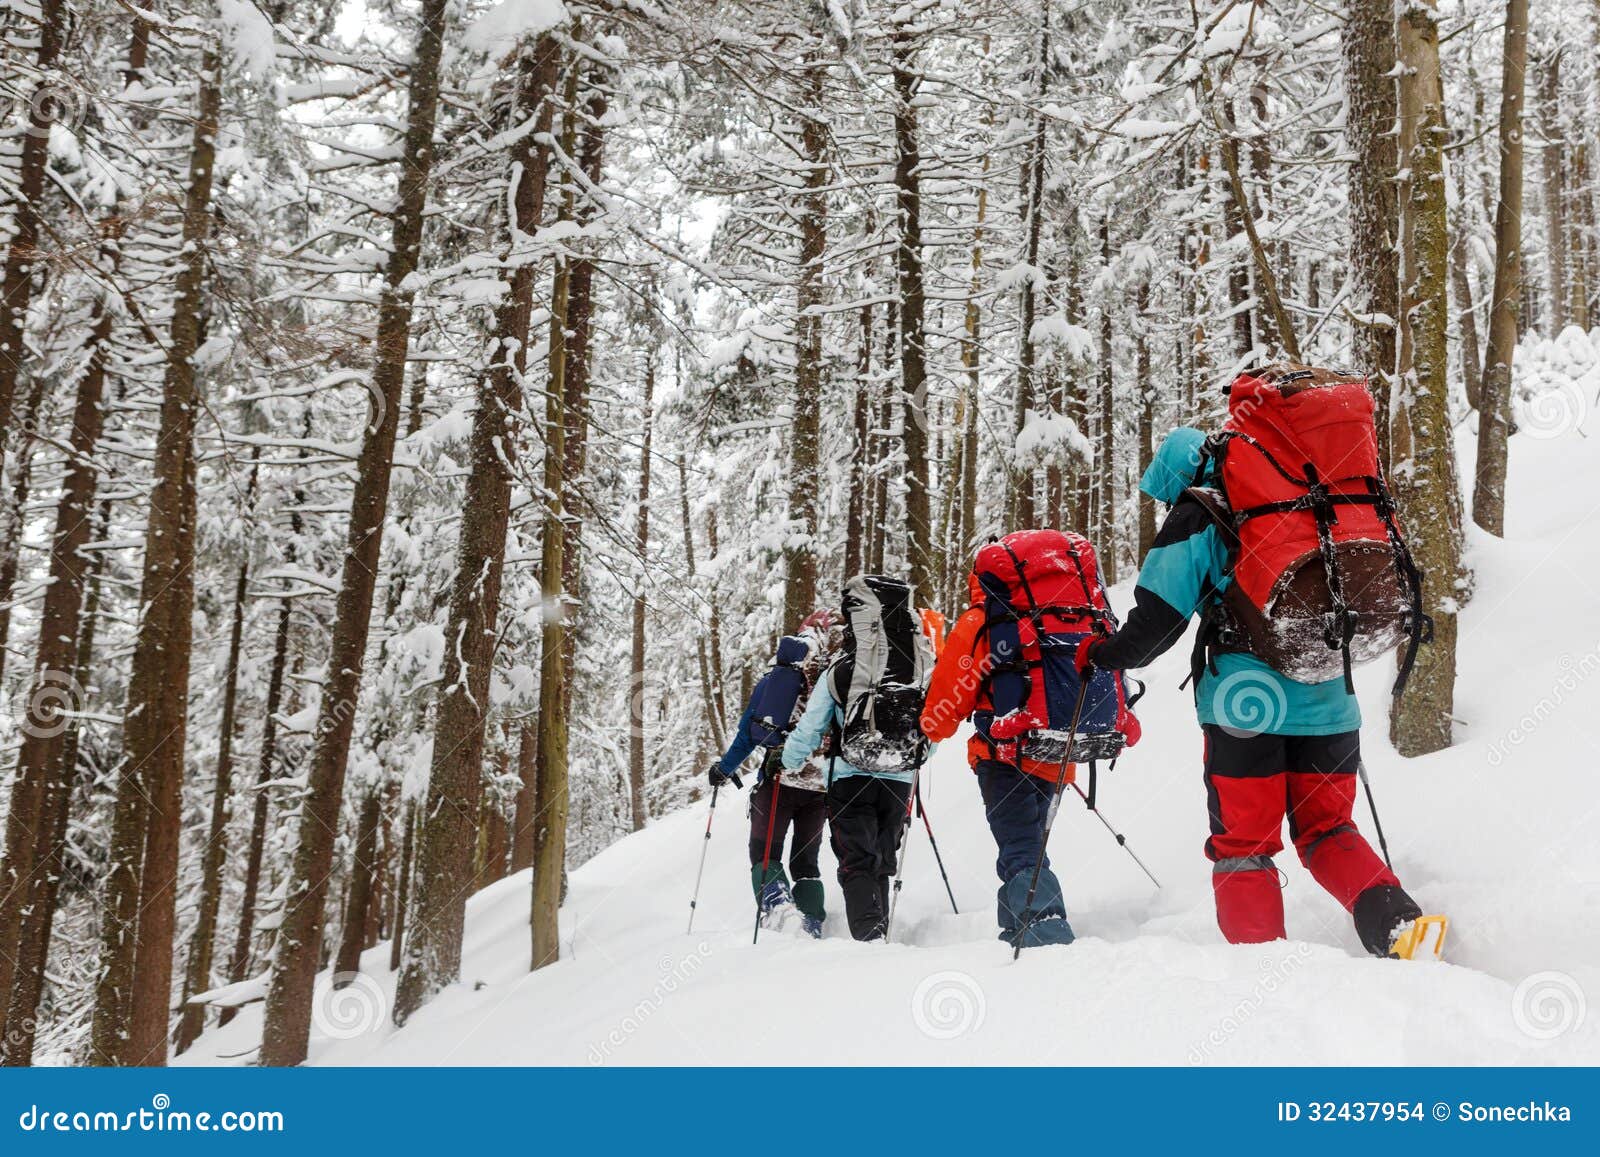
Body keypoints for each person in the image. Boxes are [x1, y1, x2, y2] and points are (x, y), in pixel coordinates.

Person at [1074, 425, 1433, 957]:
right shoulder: (1315, 507)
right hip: (1331, 696)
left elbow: (1156, 624)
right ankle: (1403, 930)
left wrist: (1101, 656)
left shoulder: (1201, 511)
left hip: (1246, 704)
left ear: (1181, 476)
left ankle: (1259, 967)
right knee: (1328, 828)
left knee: (1243, 847)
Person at [920, 529, 1136, 948]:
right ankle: (1020, 926)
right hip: (1061, 752)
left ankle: (1044, 929)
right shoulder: (1081, 612)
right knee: (1028, 846)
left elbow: (942, 711)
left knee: (1021, 848)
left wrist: (931, 726)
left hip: (1004, 755)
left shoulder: (982, 622)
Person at [783, 576, 932, 941]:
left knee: (857, 859)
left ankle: (869, 940)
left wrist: (789, 760)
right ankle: (877, 934)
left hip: (849, 775)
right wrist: (916, 756)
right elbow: (933, 721)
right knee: (881, 857)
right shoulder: (920, 665)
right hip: (898, 777)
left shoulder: (844, 669)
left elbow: (811, 725)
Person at [710, 610, 840, 938]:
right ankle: (810, 923)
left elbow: (747, 733)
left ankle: (778, 909)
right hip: (820, 786)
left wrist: (724, 770)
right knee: (806, 862)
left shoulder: (777, 681)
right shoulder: (840, 679)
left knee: (764, 853)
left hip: (778, 781)